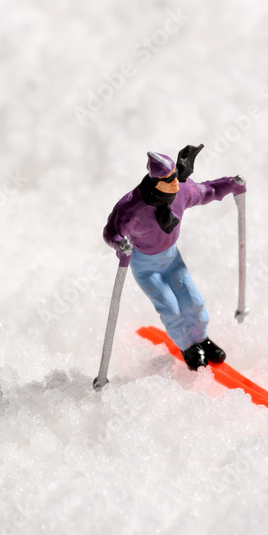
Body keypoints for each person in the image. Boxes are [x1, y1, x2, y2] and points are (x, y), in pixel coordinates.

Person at [103, 144, 246, 370]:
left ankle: (202, 340)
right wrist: (120, 245)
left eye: (174, 177)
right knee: (170, 307)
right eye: (168, 180)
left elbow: (206, 191)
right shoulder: (131, 207)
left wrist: (229, 184)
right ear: (154, 181)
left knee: (194, 302)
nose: (175, 183)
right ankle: (188, 346)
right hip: (146, 266)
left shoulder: (180, 190)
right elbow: (111, 231)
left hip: (172, 259)